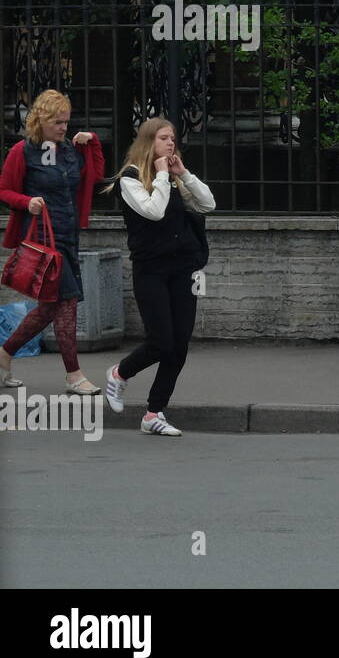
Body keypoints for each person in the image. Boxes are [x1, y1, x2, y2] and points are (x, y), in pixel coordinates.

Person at [101, 117, 215, 436]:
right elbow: (153, 211)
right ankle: (120, 373)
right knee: (161, 341)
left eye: (173, 138)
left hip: (182, 269)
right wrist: (163, 176)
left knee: (179, 346)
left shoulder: (174, 178)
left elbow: (208, 204)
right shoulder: (130, 178)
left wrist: (183, 175)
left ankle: (154, 413)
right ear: (148, 142)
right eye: (164, 138)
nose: (170, 143)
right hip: (150, 270)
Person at [0, 89, 105, 392]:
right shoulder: (22, 151)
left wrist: (93, 143)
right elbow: (4, 190)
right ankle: (74, 376)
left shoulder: (70, 149)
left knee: (49, 308)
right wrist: (26, 202)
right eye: (58, 122)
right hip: (43, 240)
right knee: (68, 300)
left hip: (68, 236)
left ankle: (4, 355)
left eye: (66, 122)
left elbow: (95, 176)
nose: (63, 128)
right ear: (41, 121)